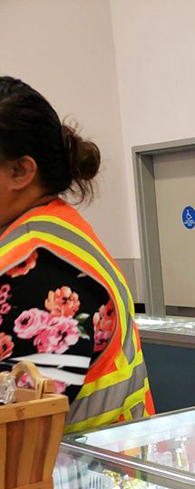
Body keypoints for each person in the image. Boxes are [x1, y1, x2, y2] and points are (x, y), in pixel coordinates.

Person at [0, 76, 154, 433]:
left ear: (21, 171)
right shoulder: (56, 230)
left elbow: (17, 429)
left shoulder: (37, 272)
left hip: (72, 465)